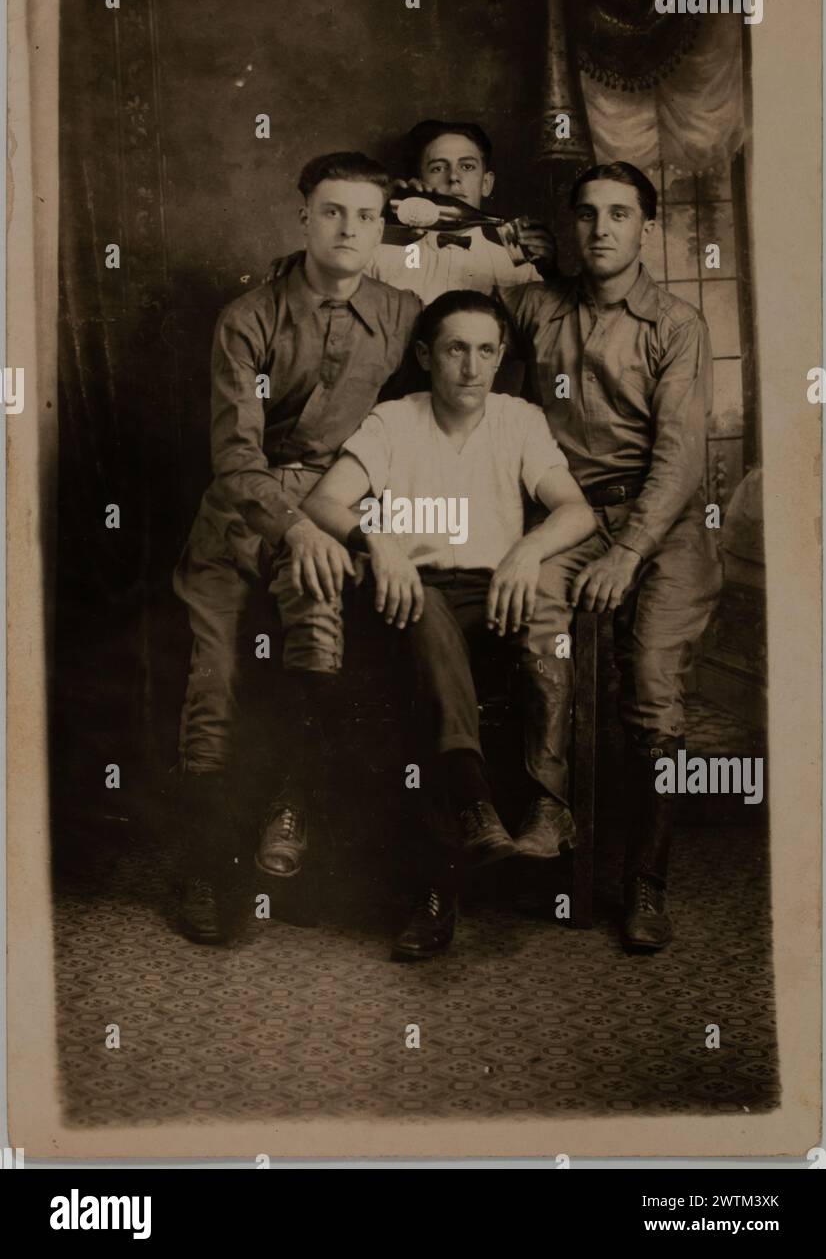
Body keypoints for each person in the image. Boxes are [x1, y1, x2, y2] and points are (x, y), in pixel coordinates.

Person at [172, 152, 421, 944]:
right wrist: (299, 525)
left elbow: (428, 416)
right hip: (244, 515)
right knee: (213, 680)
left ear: (383, 226)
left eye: (366, 215)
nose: (349, 229)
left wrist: (358, 524)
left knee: (320, 639)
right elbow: (235, 459)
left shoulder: (404, 313)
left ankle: (292, 810)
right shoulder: (249, 318)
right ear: (304, 216)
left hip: (336, 505)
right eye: (332, 211)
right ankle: (211, 871)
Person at [304, 290, 596, 961]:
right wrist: (377, 541)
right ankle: (467, 809)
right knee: (423, 631)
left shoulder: (518, 419)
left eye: (485, 350)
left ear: (500, 359)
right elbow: (322, 500)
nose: (470, 366)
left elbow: (576, 512)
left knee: (433, 690)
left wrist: (526, 549)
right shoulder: (394, 420)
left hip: (496, 601)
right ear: (425, 356)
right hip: (414, 598)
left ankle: (443, 877)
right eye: (455, 349)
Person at [501, 161, 724, 952]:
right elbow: (431, 311)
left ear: (645, 229)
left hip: (659, 523)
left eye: (619, 215)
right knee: (531, 619)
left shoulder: (674, 324)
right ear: (569, 226)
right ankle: (549, 804)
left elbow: (678, 460)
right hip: (567, 517)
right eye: (588, 214)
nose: (601, 229)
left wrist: (628, 552)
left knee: (653, 693)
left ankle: (646, 882)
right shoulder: (534, 306)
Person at [365, 120, 557, 304]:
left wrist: (552, 273)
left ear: (486, 184)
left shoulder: (522, 271)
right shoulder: (379, 258)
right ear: (419, 183)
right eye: (438, 168)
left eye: (467, 166)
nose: (454, 177)